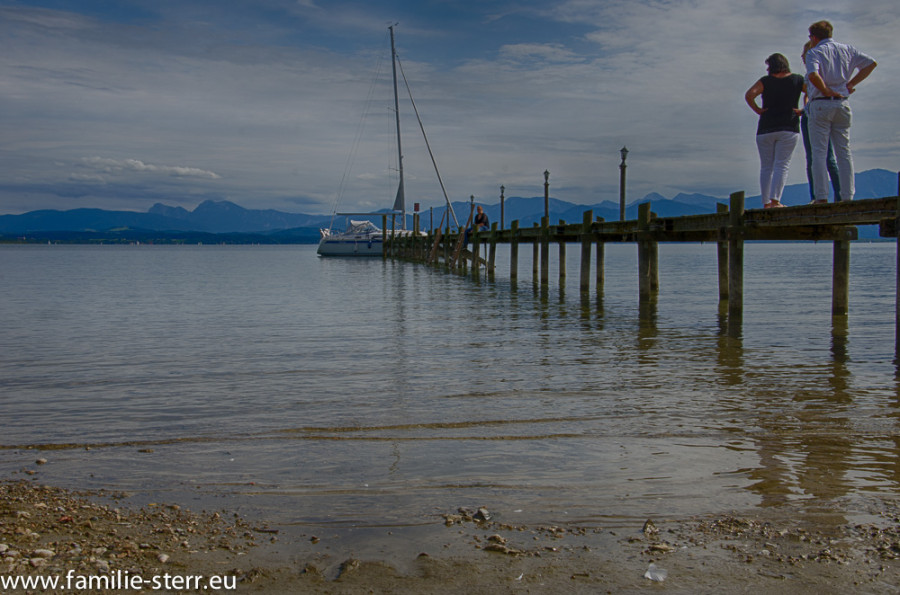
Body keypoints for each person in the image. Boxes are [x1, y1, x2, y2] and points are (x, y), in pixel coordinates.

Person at [804, 20, 877, 203]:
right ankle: (847, 197)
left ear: (813, 37)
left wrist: (826, 90)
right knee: (844, 152)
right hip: (842, 103)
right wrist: (850, 83)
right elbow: (870, 64)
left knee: (819, 153)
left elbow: (813, 75)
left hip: (821, 103)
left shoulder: (814, 52)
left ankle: (821, 197)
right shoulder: (848, 50)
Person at [745, 53, 805, 208]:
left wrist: (758, 109)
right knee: (781, 165)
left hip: (766, 127)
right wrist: (803, 109)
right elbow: (812, 92)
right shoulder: (798, 80)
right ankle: (775, 201)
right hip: (788, 126)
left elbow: (749, 95)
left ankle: (766, 203)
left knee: (766, 166)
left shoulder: (766, 81)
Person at [800, 41, 841, 202]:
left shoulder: (814, 73)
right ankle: (839, 195)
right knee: (827, 157)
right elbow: (808, 94)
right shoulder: (827, 73)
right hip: (818, 111)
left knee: (816, 158)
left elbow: (809, 93)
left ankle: (818, 196)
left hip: (815, 114)